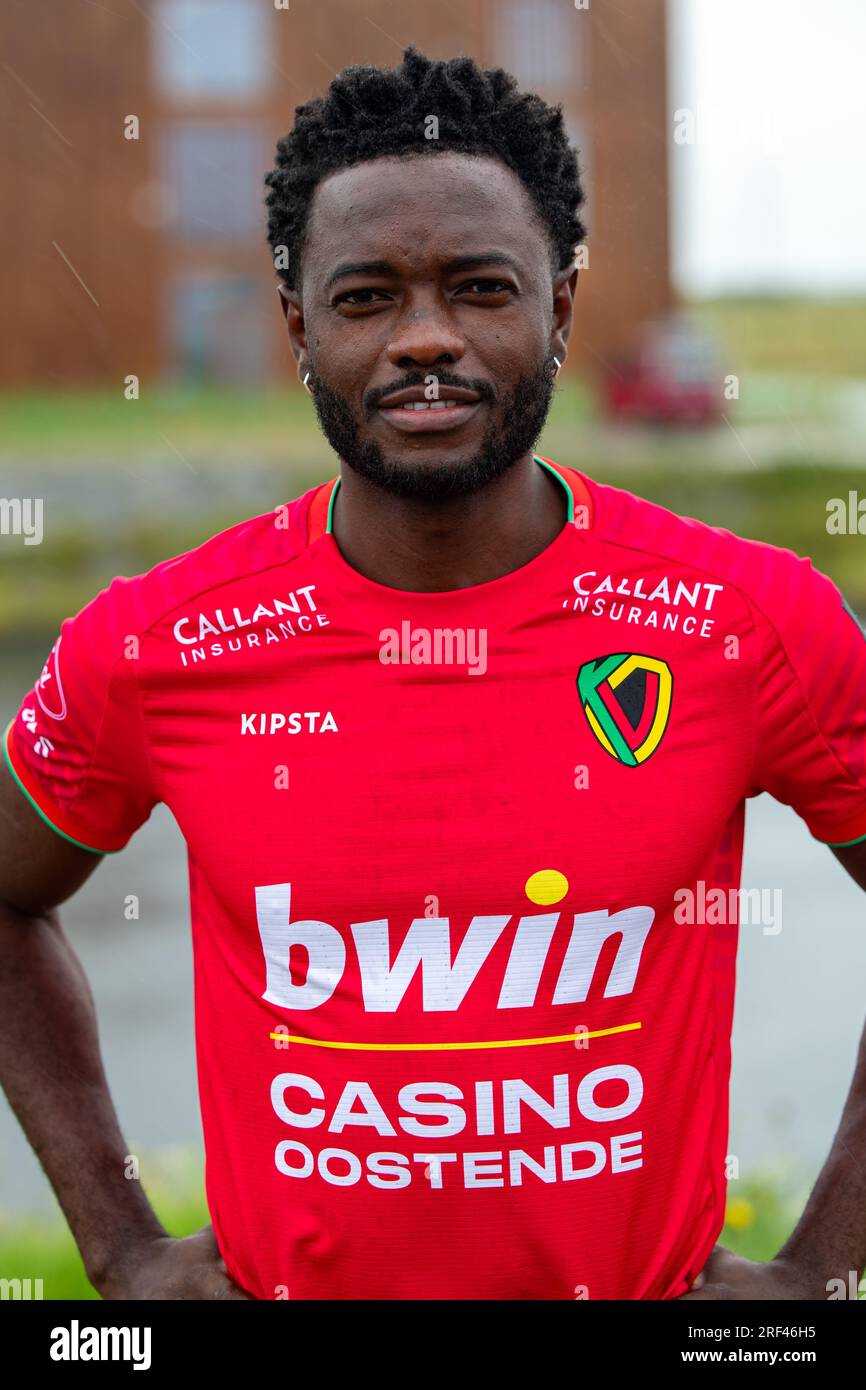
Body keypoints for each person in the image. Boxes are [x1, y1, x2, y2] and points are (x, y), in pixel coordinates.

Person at [1, 46, 865, 1302]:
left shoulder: (751, 621)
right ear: (299, 325)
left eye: (477, 288)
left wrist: (817, 1277)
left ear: (560, 309)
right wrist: (118, 1245)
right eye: (365, 299)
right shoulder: (158, 641)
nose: (423, 341)